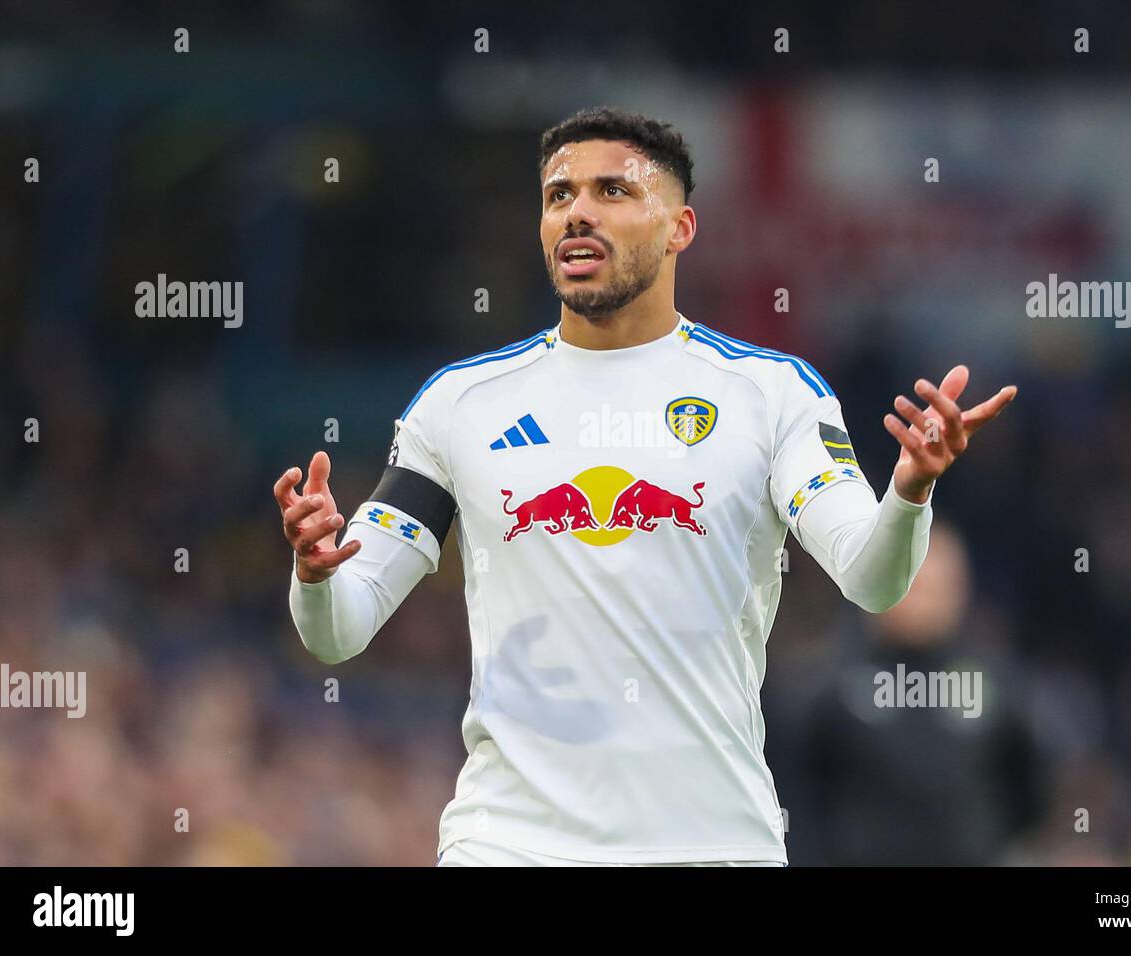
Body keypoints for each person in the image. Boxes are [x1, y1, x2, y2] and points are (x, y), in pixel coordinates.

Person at [273, 106, 1016, 866]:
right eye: (558, 195)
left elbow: (874, 579)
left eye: (613, 192)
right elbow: (338, 632)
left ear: (679, 228)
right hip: (508, 846)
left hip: (711, 845)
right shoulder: (459, 404)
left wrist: (910, 492)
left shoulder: (772, 394)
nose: (578, 213)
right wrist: (314, 574)